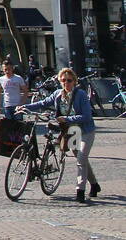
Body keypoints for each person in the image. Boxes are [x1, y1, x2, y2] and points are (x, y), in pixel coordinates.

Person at [18, 67, 100, 203]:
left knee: (81, 158)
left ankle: (80, 191)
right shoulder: (57, 94)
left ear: (74, 81)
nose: (66, 83)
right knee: (81, 159)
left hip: (85, 130)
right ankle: (95, 185)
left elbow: (86, 116)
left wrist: (67, 119)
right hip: (71, 131)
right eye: (63, 80)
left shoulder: (81, 95)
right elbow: (44, 103)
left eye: (69, 80)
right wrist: (25, 107)